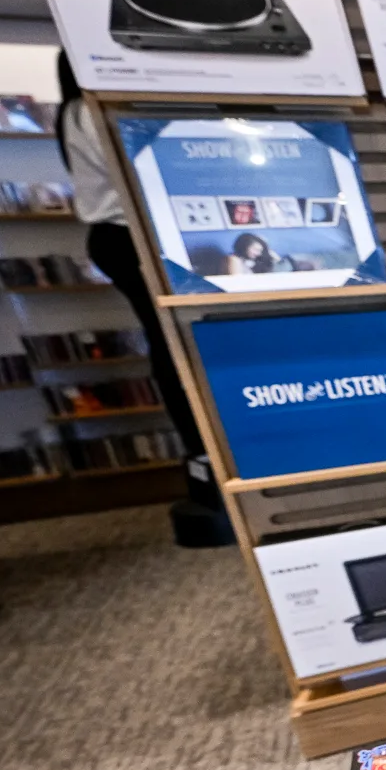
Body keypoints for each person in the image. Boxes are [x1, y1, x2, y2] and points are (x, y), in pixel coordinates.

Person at [54, 52, 230, 544]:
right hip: (130, 235)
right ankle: (201, 452)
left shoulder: (74, 109)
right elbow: (146, 171)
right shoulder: (93, 108)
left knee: (173, 346)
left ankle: (204, 450)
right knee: (174, 349)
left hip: (127, 237)